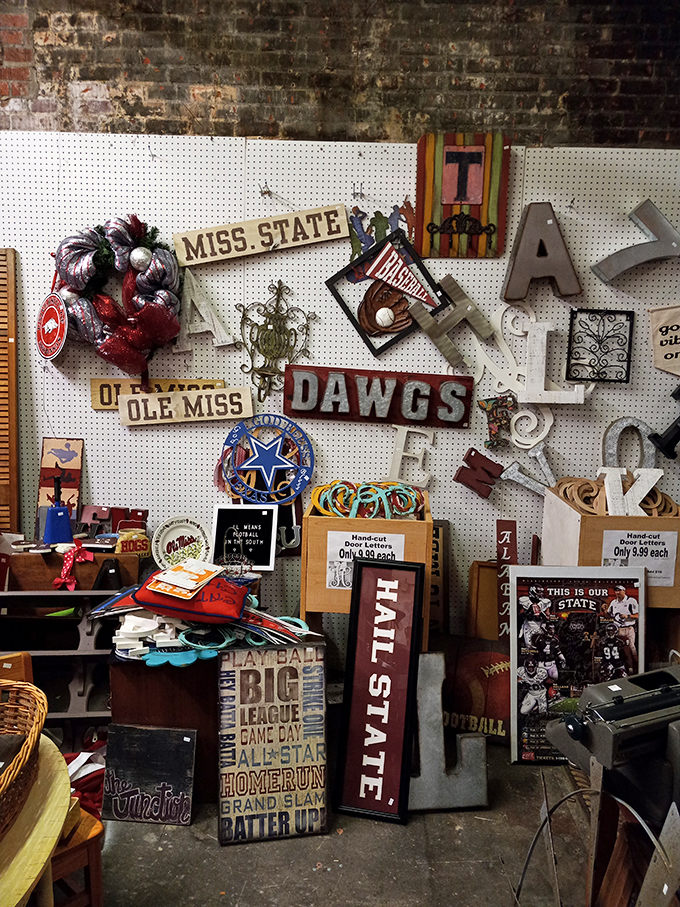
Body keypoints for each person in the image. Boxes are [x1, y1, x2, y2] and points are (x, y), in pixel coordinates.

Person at [606, 585, 638, 672]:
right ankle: (619, 666)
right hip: (618, 629)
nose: (617, 592)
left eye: (619, 590)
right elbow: (609, 613)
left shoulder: (631, 601)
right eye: (616, 591)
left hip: (628, 628)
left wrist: (627, 616)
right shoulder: (613, 602)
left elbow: (637, 615)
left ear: (624, 591)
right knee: (618, 648)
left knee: (631, 647)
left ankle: (635, 666)